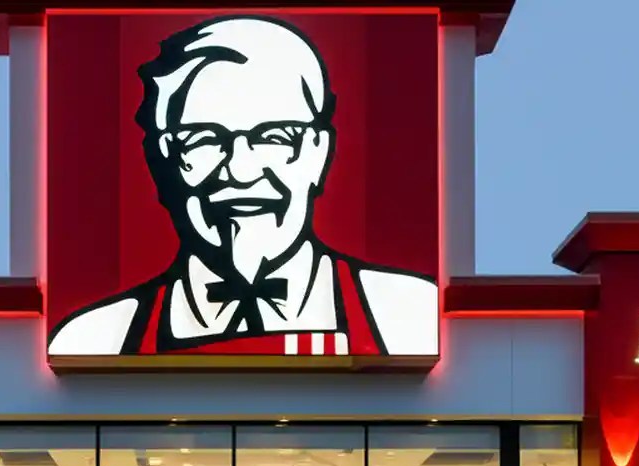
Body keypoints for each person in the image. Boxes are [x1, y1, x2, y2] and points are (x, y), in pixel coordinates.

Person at [49, 16, 438, 358]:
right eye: (204, 139)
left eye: (275, 137)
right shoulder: (94, 341)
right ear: (165, 160)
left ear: (319, 152)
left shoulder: (408, 317)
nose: (241, 170)